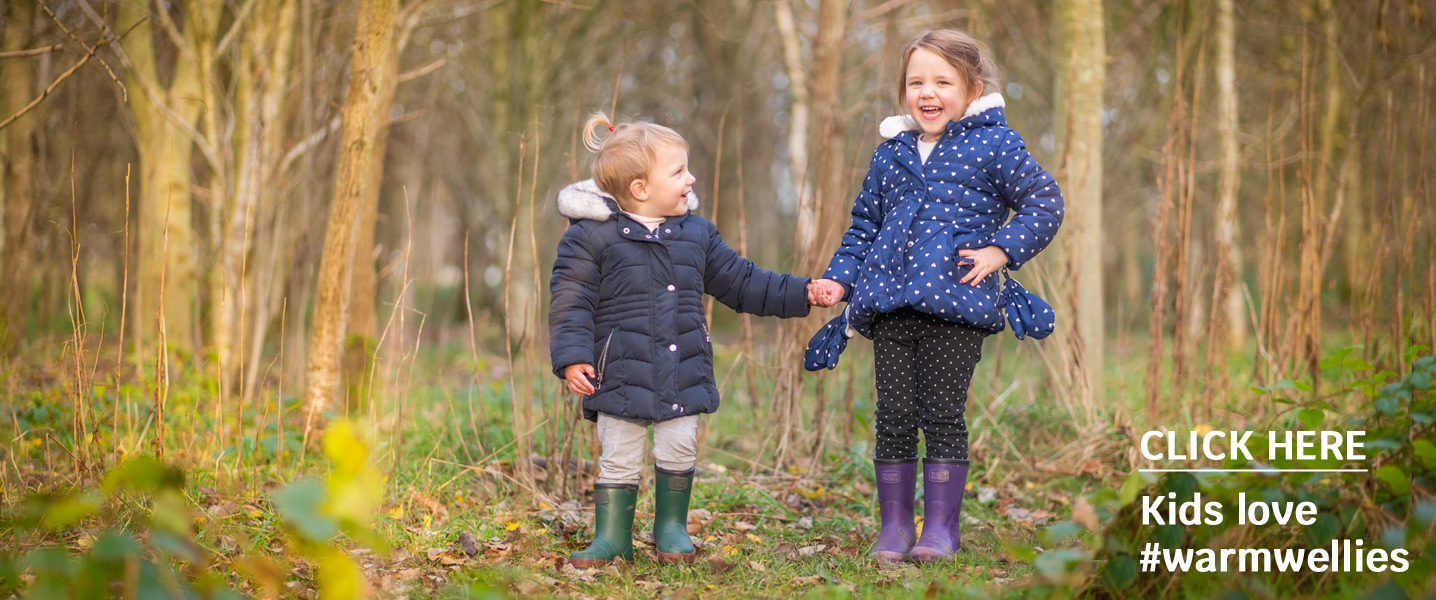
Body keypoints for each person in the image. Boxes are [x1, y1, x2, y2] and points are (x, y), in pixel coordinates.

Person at [807, 29, 1064, 563]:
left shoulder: (994, 144)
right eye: (915, 82)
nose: (927, 93)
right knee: (893, 416)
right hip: (890, 305)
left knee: (942, 414)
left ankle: (941, 529)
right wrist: (841, 279)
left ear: (972, 89)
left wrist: (1001, 250)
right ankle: (896, 527)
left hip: (956, 306)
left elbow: (1045, 200)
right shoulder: (891, 154)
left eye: (943, 82)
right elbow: (864, 227)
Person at [550, 113, 832, 567]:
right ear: (641, 188)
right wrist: (572, 357)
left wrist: (803, 292)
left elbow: (744, 282)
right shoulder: (590, 237)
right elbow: (571, 301)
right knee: (619, 455)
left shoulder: (697, 235)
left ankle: (671, 530)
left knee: (679, 447)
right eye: (679, 171)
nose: (691, 178)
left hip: (683, 368)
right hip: (618, 371)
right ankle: (612, 538)